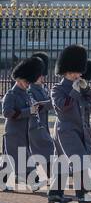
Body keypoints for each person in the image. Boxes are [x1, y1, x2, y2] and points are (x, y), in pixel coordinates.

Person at [49, 44, 91, 203]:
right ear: (68, 71)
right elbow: (63, 106)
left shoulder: (80, 85)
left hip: (79, 128)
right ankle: (82, 194)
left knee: (61, 161)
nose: (80, 74)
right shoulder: (57, 88)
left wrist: (86, 89)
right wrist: (75, 90)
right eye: (77, 71)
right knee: (79, 160)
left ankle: (55, 194)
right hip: (66, 130)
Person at [2, 57, 42, 192]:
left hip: (23, 133)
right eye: (26, 81)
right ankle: (32, 182)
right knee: (21, 160)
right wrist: (27, 111)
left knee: (13, 161)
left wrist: (34, 109)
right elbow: (7, 113)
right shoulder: (11, 94)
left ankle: (6, 183)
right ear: (18, 79)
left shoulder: (26, 94)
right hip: (13, 134)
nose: (28, 84)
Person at [26, 53, 55, 190]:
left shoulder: (43, 88)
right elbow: (36, 106)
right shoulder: (30, 90)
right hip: (34, 126)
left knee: (42, 152)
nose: (43, 77)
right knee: (46, 150)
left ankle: (43, 176)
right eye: (41, 75)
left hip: (43, 125)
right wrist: (52, 102)